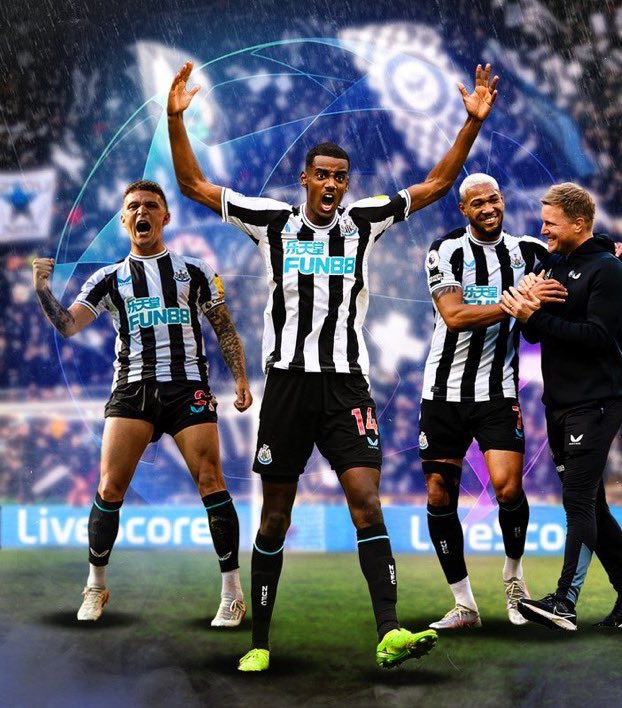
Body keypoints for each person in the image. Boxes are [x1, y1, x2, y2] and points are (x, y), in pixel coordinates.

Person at [168, 60, 498, 672]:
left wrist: (470, 124)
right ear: (304, 178)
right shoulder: (271, 222)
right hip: (288, 387)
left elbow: (433, 184)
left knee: (366, 502)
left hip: (347, 385)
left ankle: (389, 631)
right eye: (321, 175)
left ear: (346, 185)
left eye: (339, 177)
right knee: (275, 516)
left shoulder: (365, 222)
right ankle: (260, 641)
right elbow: (191, 184)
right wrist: (175, 118)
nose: (331, 184)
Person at [32, 179, 252, 626]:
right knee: (109, 487)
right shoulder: (108, 279)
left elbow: (224, 328)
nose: (141, 212)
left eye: (151, 205)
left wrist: (241, 378)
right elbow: (69, 325)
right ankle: (95, 586)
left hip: (187, 387)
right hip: (133, 389)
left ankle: (232, 592)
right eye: (133, 206)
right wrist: (42, 289)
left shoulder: (195, 271)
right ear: (123, 219)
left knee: (211, 481)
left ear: (165, 217)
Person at [419, 173, 566, 629]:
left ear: (503, 201)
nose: (488, 208)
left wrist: (608, 248)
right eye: (477, 203)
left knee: (508, 489)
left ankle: (514, 580)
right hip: (442, 393)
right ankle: (464, 605)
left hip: (497, 392)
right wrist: (514, 303)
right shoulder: (446, 251)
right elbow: (453, 315)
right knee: (439, 492)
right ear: (463, 209)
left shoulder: (529, 253)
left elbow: (573, 254)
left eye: (494, 199)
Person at [500, 182, 622, 630]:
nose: (543, 230)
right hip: (559, 403)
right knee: (593, 506)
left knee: (577, 501)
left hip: (596, 402)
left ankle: (564, 603)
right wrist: (527, 309)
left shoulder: (607, 269)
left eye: (550, 223)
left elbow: (598, 337)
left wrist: (534, 314)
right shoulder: (554, 264)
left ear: (578, 223)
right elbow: (535, 333)